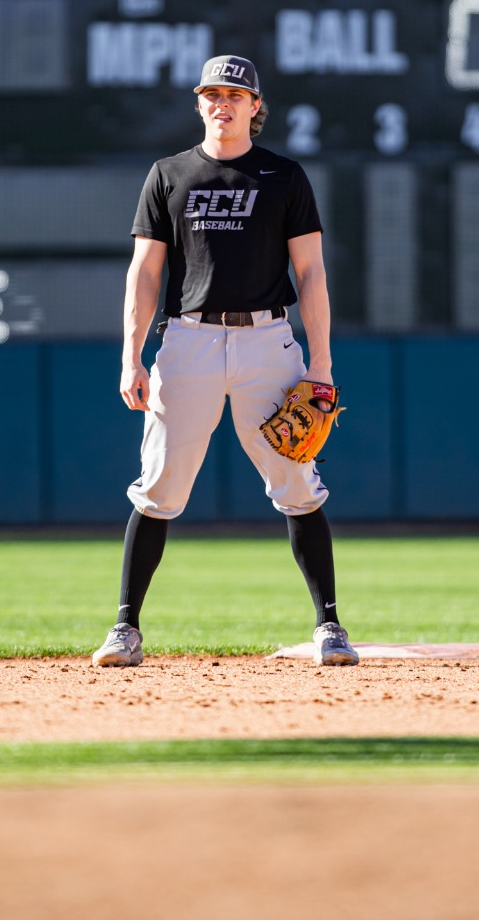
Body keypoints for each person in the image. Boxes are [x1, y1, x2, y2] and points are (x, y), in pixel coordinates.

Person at [92, 54, 357, 667]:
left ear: (255, 106)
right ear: (199, 102)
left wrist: (321, 362)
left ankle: (330, 627)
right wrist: (132, 357)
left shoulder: (284, 176)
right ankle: (126, 627)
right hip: (188, 342)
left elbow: (311, 270)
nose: (223, 102)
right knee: (158, 489)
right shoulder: (169, 174)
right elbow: (145, 271)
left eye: (236, 94)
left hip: (268, 342)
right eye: (212, 93)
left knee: (297, 483)